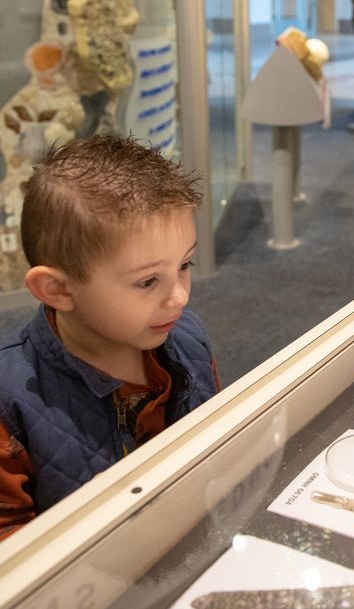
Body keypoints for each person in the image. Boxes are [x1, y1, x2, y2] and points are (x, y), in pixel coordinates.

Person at [0, 136, 220, 539]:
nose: (180, 296)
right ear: (58, 291)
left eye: (185, 264)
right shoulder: (8, 398)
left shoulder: (189, 340)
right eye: (148, 280)